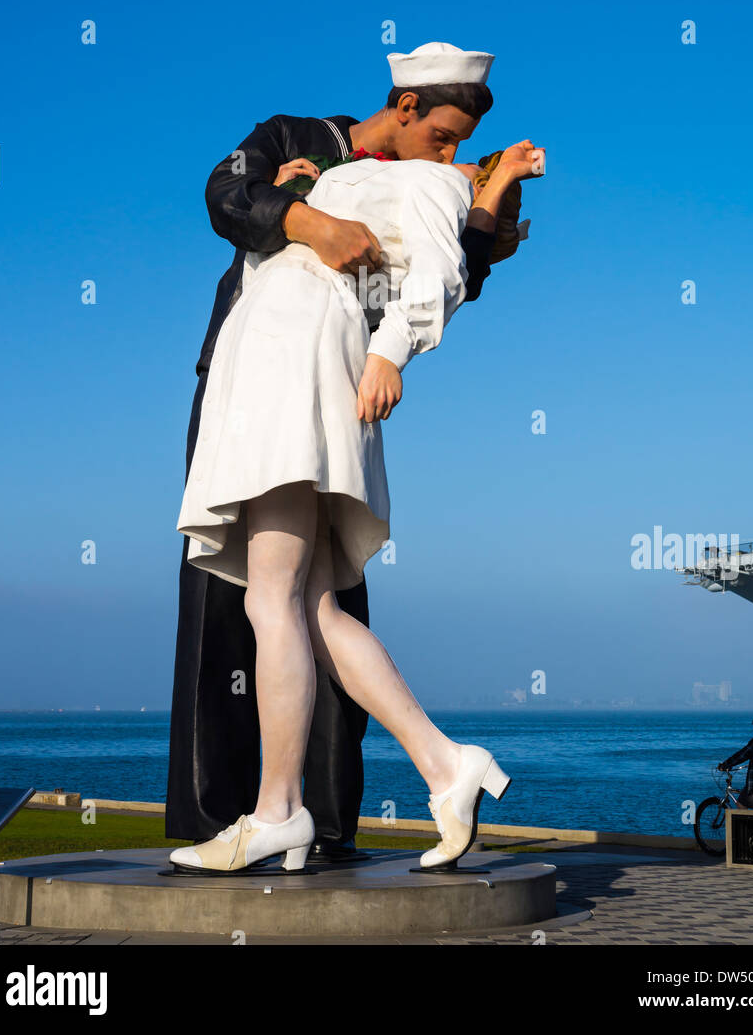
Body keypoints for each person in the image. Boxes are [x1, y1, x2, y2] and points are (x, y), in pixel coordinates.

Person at [165, 42, 507, 855]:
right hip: (270, 373)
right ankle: (438, 761)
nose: (450, 154)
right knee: (307, 605)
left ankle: (284, 811)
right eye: (444, 134)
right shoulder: (302, 142)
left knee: (271, 596)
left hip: (290, 372)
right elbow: (224, 193)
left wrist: (392, 349)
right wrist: (304, 214)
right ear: (407, 106)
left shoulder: (420, 179)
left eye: (464, 148)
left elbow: (438, 274)